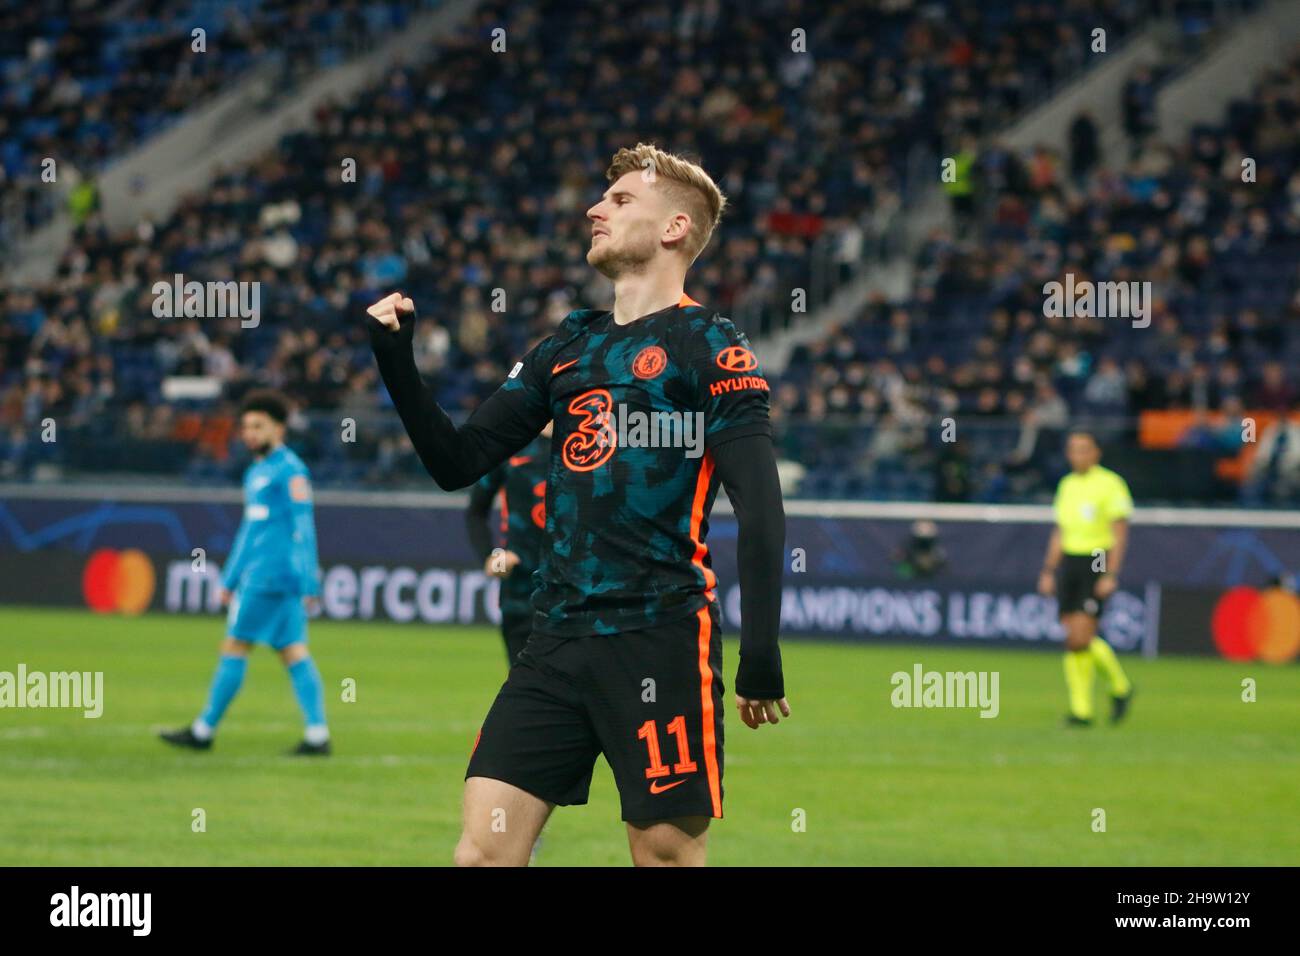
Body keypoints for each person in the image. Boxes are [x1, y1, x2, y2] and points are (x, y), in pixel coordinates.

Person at [367, 143, 788, 866]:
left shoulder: (709, 344)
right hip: (553, 635)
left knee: (663, 852)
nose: (596, 208)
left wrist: (762, 656)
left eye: (622, 200)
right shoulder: (569, 344)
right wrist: (395, 360)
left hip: (659, 634)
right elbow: (457, 462)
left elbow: (762, 507)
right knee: (483, 854)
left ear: (674, 229)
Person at [160, 390, 328, 754]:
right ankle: (318, 735)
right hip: (262, 575)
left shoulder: (291, 471)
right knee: (293, 651)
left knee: (235, 645)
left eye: (258, 426)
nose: (249, 433)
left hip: (270, 576)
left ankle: (203, 731)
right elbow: (249, 531)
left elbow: (304, 526)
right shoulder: (256, 472)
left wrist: (309, 579)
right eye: (246, 426)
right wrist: (230, 577)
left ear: (279, 429)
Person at [1037, 430, 1135, 727]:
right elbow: (1060, 531)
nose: (1077, 455)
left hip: (1096, 558)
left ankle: (1088, 707)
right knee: (1075, 639)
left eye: (1083, 450)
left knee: (1080, 636)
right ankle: (1109, 695)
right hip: (1070, 561)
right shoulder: (1066, 485)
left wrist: (1110, 573)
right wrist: (1049, 570)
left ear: (1096, 453)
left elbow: (1119, 533)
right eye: (1073, 450)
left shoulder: (1111, 484)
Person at [464, 421, 553, 665]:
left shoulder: (593, 444)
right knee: (525, 689)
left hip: (576, 591)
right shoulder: (512, 446)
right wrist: (490, 556)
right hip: (520, 592)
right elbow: (476, 511)